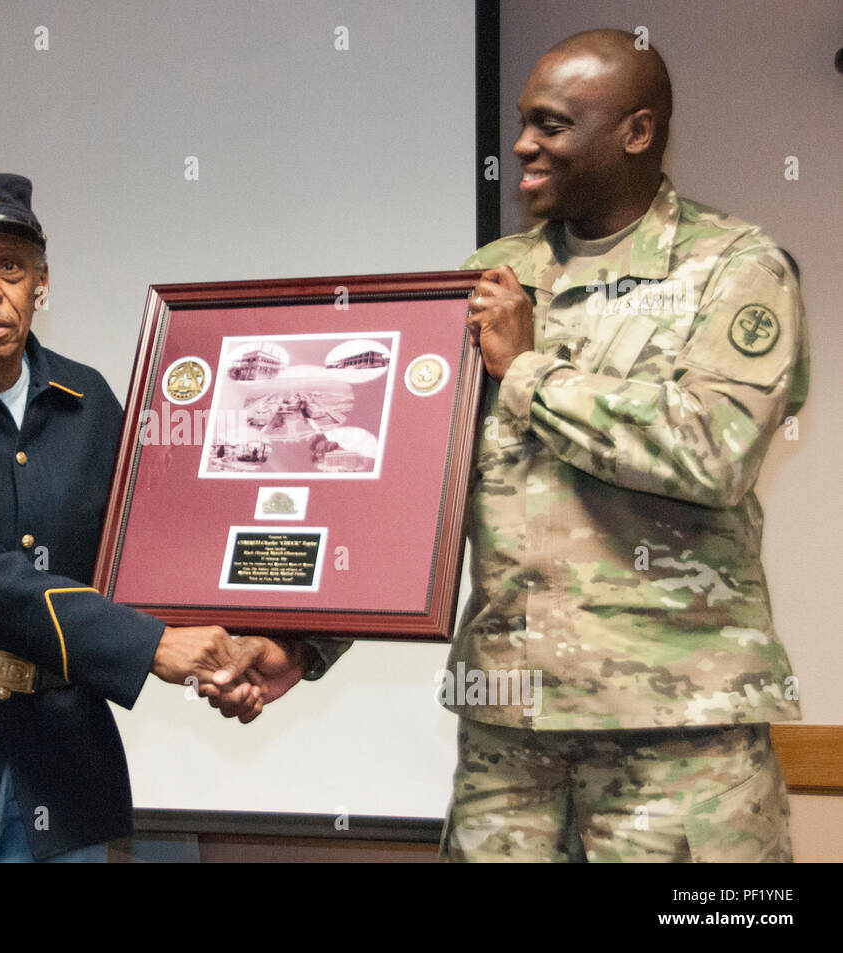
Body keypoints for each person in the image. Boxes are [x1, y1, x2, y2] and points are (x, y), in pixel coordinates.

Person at [215, 29, 808, 863]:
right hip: (509, 725)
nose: (523, 144)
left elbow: (713, 451)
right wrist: (308, 640)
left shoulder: (736, 268)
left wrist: (528, 370)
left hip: (678, 734)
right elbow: (426, 485)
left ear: (637, 132)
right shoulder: (493, 272)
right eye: (523, 122)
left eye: (553, 125)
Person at [0, 173, 310, 862]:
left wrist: (275, 641)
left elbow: (163, 544)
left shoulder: (89, 399)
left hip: (63, 769)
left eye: (8, 266)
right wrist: (151, 648)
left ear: (40, 282)